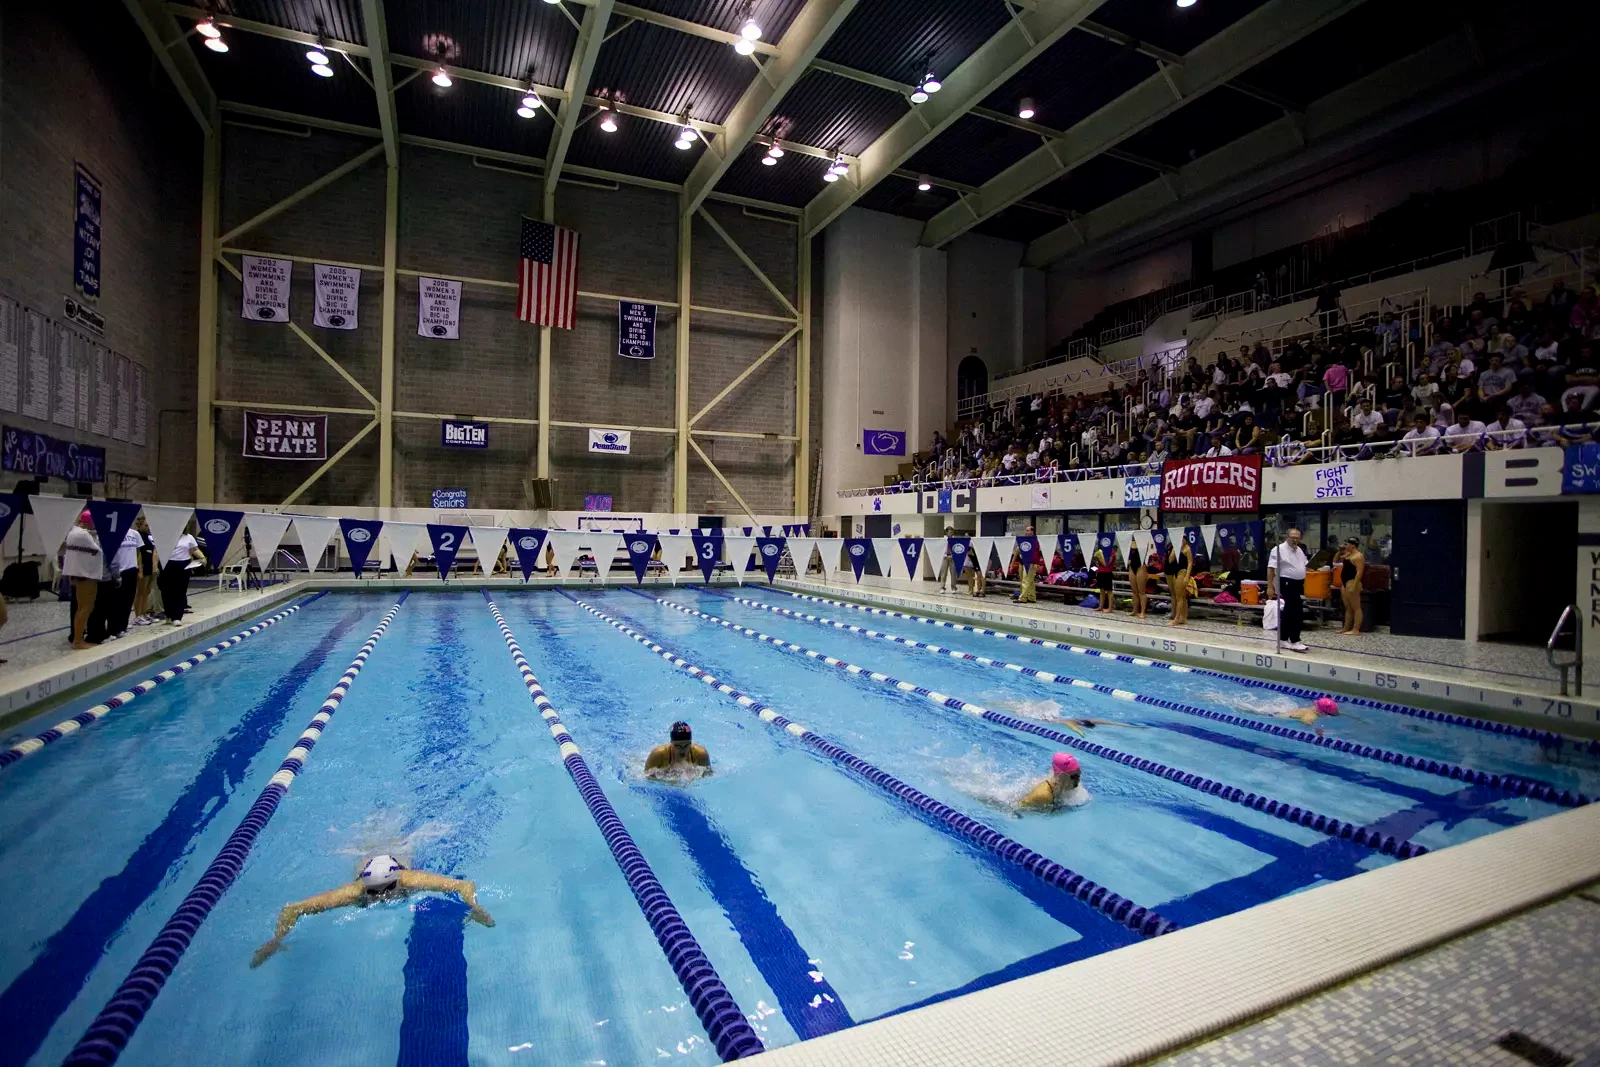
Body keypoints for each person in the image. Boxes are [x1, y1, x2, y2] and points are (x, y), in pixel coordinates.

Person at [251, 854, 494, 967]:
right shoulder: (353, 894)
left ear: (398, 880)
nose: (383, 897)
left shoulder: (411, 879)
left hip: (397, 850)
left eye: (387, 889)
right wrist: (277, 939)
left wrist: (474, 906)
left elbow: (464, 884)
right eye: (376, 893)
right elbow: (292, 909)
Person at [62, 511, 103, 650]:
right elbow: (98, 551)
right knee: (86, 608)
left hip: (78, 574)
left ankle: (77, 638)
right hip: (86, 575)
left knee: (80, 608)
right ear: (88, 522)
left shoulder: (72, 532)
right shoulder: (83, 535)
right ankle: (78, 641)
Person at [1267, 527, 1309, 652]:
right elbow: (1270, 569)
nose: (1295, 540)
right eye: (1293, 537)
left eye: (1297, 538)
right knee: (1296, 612)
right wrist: (1270, 586)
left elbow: (1304, 565)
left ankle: (1283, 639)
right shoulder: (1278, 549)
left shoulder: (1299, 550)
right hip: (1286, 582)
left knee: (1288, 611)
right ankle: (1295, 640)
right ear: (1287, 537)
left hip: (1297, 583)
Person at [158, 518, 205, 626]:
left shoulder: (188, 537)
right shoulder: (165, 536)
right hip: (167, 564)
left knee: (180, 591)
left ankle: (177, 616)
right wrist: (155, 567)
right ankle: (169, 614)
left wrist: (202, 557)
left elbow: (194, 549)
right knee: (166, 591)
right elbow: (157, 550)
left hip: (183, 565)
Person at [645, 721, 711, 779]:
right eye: (678, 746)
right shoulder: (658, 755)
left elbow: (708, 776)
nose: (683, 750)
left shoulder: (700, 754)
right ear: (671, 743)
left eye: (687, 745)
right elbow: (647, 778)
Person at [1019, 752, 1083, 811]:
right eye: (1074, 777)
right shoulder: (1043, 796)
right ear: (1060, 775)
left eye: (1079, 775)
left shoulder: (1065, 786)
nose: (1078, 781)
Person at [1334, 538, 1365, 636]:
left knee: (1356, 607)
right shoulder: (1348, 555)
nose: (1345, 546)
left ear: (1353, 545)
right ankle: (1346, 628)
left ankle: (1356, 629)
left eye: (1347, 544)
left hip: (1352, 582)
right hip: (1345, 583)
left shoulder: (1358, 556)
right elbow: (1335, 560)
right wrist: (1339, 551)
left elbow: (1360, 572)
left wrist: (1354, 585)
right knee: (1348, 607)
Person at [133, 515, 158, 624]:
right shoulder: (137, 536)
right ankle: (138, 615)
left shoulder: (148, 536)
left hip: (149, 567)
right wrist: (140, 569)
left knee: (146, 591)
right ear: (140, 525)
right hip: (142, 567)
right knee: (140, 592)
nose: (148, 528)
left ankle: (144, 613)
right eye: (146, 525)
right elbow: (138, 554)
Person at [1165, 538, 1193, 627]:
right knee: (1182, 597)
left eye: (1183, 539)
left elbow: (1190, 563)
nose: (1181, 540)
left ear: (1186, 540)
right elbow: (1170, 560)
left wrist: (1187, 577)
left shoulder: (1187, 549)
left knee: (1179, 597)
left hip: (1182, 572)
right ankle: (1183, 617)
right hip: (1175, 572)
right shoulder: (1176, 548)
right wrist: (1175, 548)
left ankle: (1176, 618)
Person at [1128, 539, 1148, 620]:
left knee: (1142, 592)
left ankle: (1143, 612)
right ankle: (1135, 610)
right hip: (1132, 566)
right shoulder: (1131, 543)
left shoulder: (1144, 542)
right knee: (1134, 591)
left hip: (1141, 566)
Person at [1091, 546, 1114, 613]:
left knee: (1109, 591)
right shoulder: (1100, 552)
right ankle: (1101, 606)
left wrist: (1100, 557)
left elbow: (1107, 563)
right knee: (1101, 590)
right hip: (1100, 572)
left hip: (1108, 573)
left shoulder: (1111, 552)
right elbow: (1098, 564)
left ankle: (1110, 608)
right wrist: (1097, 558)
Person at [937, 526, 958, 592]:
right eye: (949, 532)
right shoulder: (943, 540)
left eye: (952, 532)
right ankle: (942, 587)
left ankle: (953, 588)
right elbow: (940, 549)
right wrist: (944, 555)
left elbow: (956, 549)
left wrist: (953, 555)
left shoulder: (955, 540)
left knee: (953, 573)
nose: (951, 534)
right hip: (944, 557)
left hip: (952, 557)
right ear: (946, 533)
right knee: (943, 573)